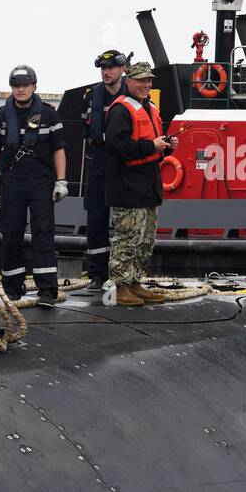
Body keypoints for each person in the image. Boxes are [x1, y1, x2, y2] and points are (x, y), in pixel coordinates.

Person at [0, 65, 67, 303]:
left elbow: (58, 149)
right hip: (12, 181)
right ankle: (12, 287)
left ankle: (48, 289)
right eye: (16, 86)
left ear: (34, 87)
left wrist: (61, 181)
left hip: (41, 181)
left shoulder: (49, 115)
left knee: (43, 233)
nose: (20, 90)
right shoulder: (1, 116)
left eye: (25, 85)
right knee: (11, 233)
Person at [103, 61, 178, 307]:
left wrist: (165, 145)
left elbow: (150, 143)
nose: (146, 85)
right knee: (126, 238)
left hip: (148, 186)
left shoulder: (150, 108)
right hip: (128, 187)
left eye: (149, 80)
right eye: (141, 80)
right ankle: (119, 286)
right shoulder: (120, 111)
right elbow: (119, 147)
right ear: (129, 81)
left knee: (144, 240)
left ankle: (134, 281)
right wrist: (152, 146)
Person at [81, 50, 129, 289]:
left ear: (123, 69)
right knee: (96, 219)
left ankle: (125, 274)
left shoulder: (133, 95)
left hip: (125, 161)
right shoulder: (91, 97)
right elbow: (84, 129)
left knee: (126, 221)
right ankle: (97, 274)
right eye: (102, 68)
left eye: (110, 67)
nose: (106, 72)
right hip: (99, 161)